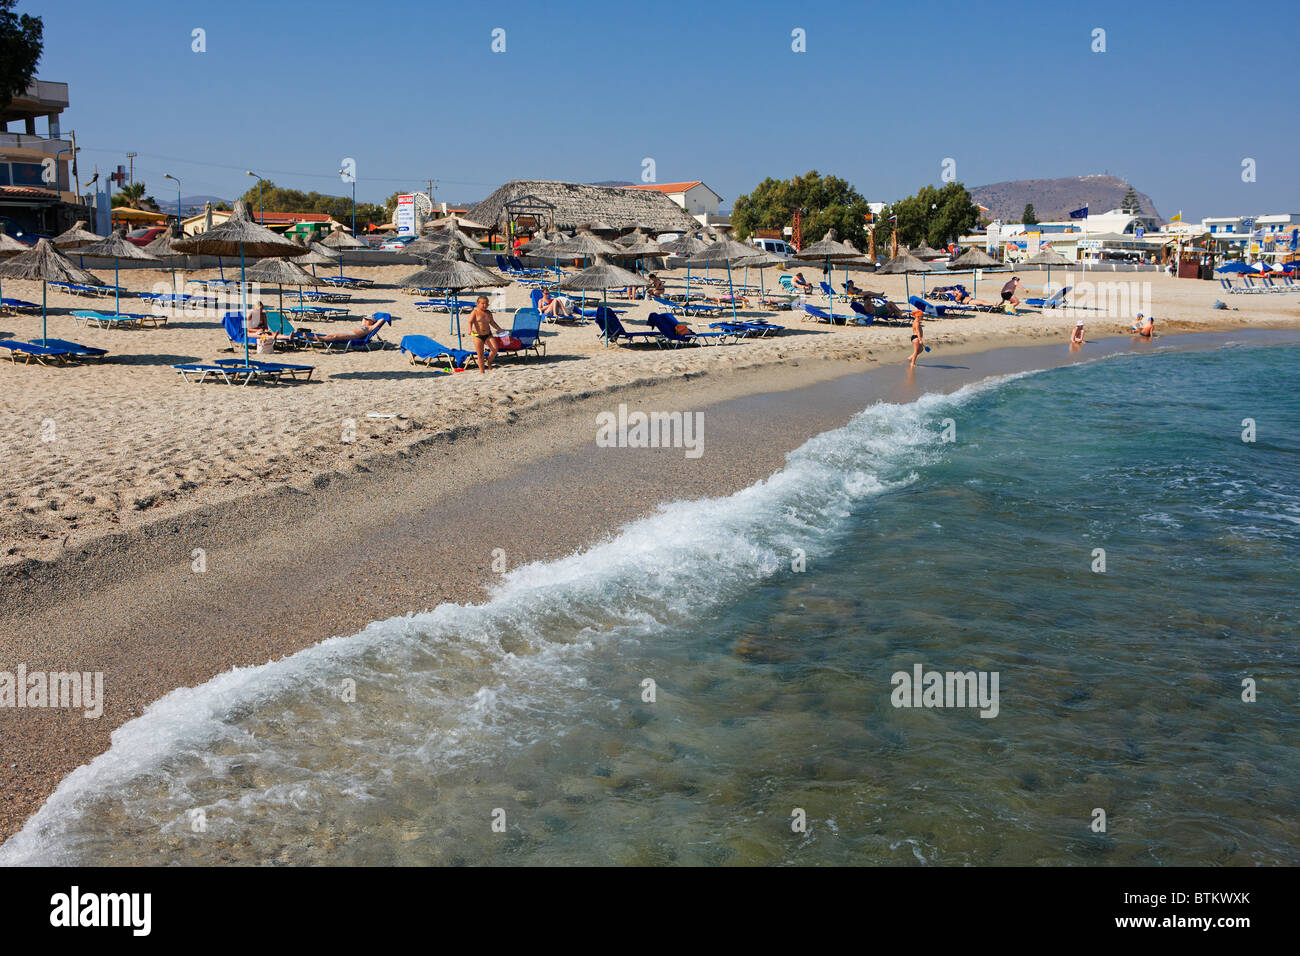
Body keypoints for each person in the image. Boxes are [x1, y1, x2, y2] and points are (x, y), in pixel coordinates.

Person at [467, 294, 504, 372]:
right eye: (483, 303)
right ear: (478, 304)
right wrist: (470, 330)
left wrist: (499, 329)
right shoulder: (475, 312)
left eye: (486, 303)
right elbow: (470, 321)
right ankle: (482, 372)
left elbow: (492, 322)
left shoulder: (488, 313)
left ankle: (489, 362)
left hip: (488, 335)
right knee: (480, 355)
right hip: (478, 335)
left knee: (494, 349)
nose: (485, 305)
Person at [310, 315, 385, 343]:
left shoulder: (370, 327)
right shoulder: (363, 325)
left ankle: (321, 339)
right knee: (331, 335)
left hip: (354, 336)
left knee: (335, 337)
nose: (365, 320)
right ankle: (312, 338)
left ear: (372, 321)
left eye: (367, 319)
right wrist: (366, 318)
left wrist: (383, 317)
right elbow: (363, 318)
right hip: (350, 333)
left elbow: (381, 319)